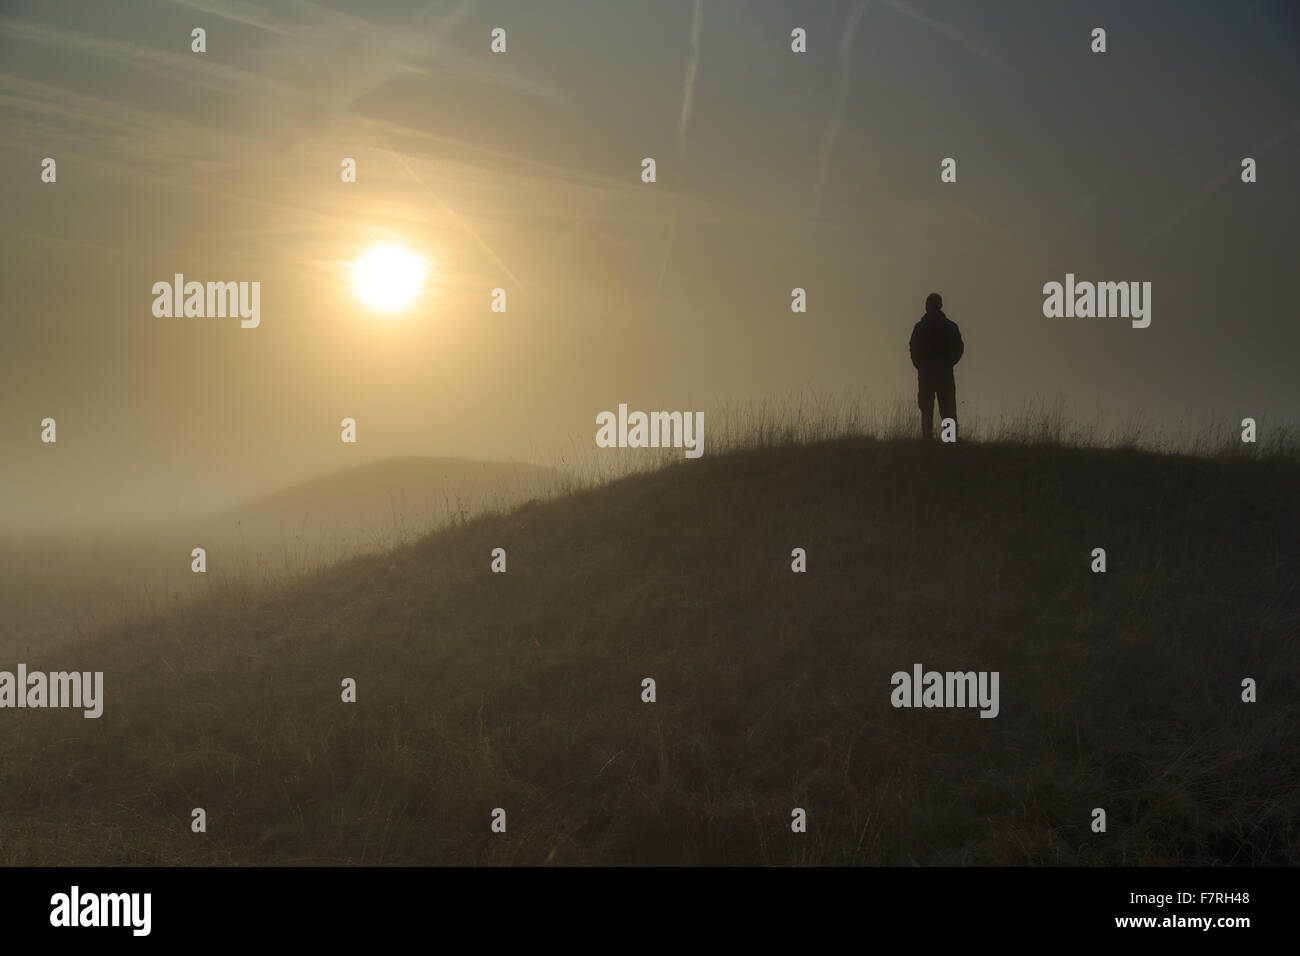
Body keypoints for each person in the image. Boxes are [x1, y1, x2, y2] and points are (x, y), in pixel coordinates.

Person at [909, 293, 964, 439]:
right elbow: (958, 349)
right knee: (946, 408)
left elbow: (913, 349)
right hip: (942, 373)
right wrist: (947, 364)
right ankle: (949, 439)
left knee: (929, 408)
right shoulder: (949, 327)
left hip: (929, 373)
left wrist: (921, 366)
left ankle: (929, 438)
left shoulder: (920, 327)